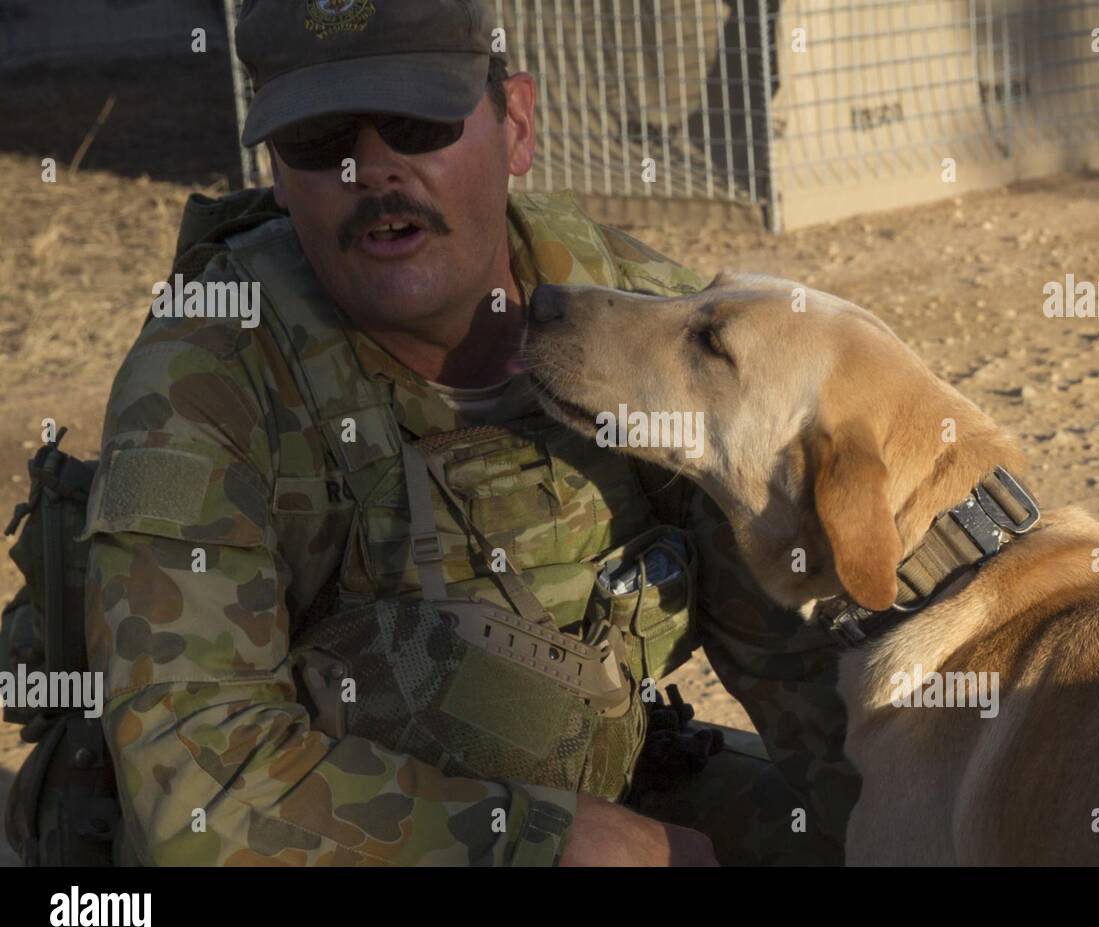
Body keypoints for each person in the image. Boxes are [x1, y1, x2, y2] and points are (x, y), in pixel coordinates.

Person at [82, 0, 860, 866]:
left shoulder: (632, 319)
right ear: (274, 167)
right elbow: (198, 795)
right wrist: (541, 844)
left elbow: (799, 669)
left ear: (516, 123)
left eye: (418, 123)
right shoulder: (207, 377)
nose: (372, 171)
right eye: (319, 140)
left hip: (607, 791)